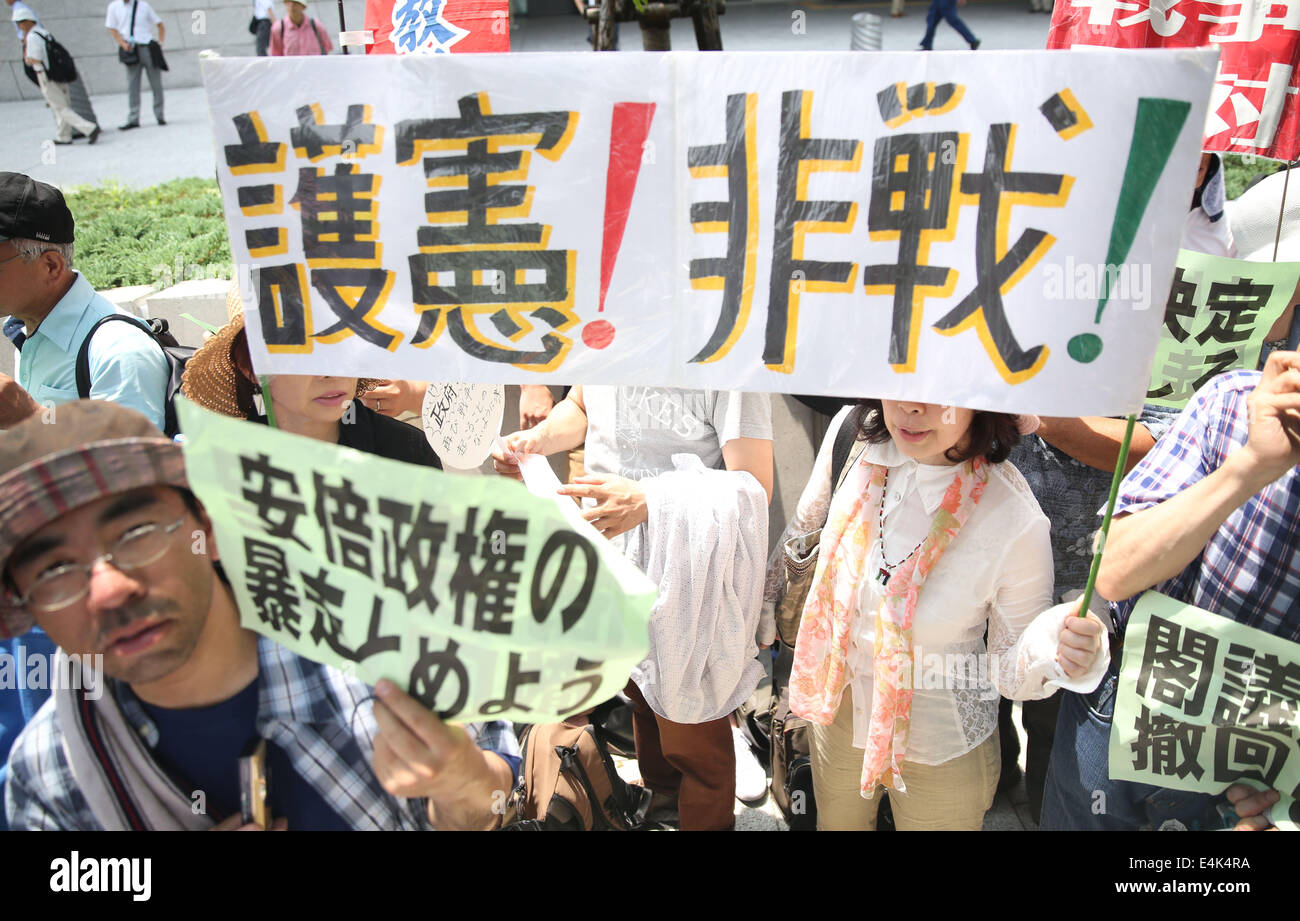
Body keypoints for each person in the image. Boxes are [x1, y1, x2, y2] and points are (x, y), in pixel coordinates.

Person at [1, 401, 518, 830]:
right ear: (23, 603)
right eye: (54, 571)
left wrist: (463, 785)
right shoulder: (51, 777)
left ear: (205, 520)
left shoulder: (384, 648)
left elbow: (494, 797)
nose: (110, 588)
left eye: (136, 534)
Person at [772, 399, 1107, 830]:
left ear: (984, 401)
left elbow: (1009, 670)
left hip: (940, 749)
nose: (911, 406)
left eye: (939, 392)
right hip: (838, 714)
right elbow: (805, 534)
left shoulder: (1011, 516)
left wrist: (1054, 647)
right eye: (902, 382)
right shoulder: (858, 445)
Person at [493, 385, 774, 830]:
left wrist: (651, 501)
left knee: (696, 741)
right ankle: (659, 810)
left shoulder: (724, 358)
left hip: (687, 579)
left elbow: (755, 485)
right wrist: (539, 439)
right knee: (641, 699)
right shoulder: (610, 328)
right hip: (607, 560)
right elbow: (583, 405)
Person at [1040, 352, 1300, 830]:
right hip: (1123, 707)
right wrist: (1251, 466)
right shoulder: (1233, 404)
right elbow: (1115, 568)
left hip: (1262, 769)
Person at [1000, 408, 1173, 820]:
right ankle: (998, 776)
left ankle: (1043, 807)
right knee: (975, 688)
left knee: (1056, 711)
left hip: (1081, 574)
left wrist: (1042, 417)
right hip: (986, 544)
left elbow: (1158, 443)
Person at [180, 287, 441, 469]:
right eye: (302, 350)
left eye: (342, 340)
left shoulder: (406, 453)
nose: (330, 370)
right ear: (250, 366)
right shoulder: (223, 468)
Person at [0, 173, 169, 429]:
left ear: (51, 266)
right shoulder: (27, 330)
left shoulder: (118, 351)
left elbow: (130, 463)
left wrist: (28, 417)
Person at [8, 0, 100, 138]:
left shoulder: (32, 37)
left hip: (45, 75)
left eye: (20, 23)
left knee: (59, 107)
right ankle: (64, 136)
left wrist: (27, 59)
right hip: (57, 73)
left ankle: (89, 128)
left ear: (26, 22)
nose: (19, 26)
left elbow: (34, 59)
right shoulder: (44, 33)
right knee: (62, 105)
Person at [105, 0, 165, 130]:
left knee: (156, 83)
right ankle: (133, 118)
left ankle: (159, 115)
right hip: (131, 49)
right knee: (133, 84)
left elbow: (160, 24)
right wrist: (122, 43)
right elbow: (111, 27)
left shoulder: (143, 5)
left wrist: (160, 43)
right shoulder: (114, 7)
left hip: (147, 47)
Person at [269, 0, 333, 56]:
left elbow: (327, 48)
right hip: (291, 69)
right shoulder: (278, 28)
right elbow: (275, 54)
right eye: (288, 2)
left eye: (295, 2)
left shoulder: (317, 25)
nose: (292, 5)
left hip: (314, 68)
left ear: (303, 6)